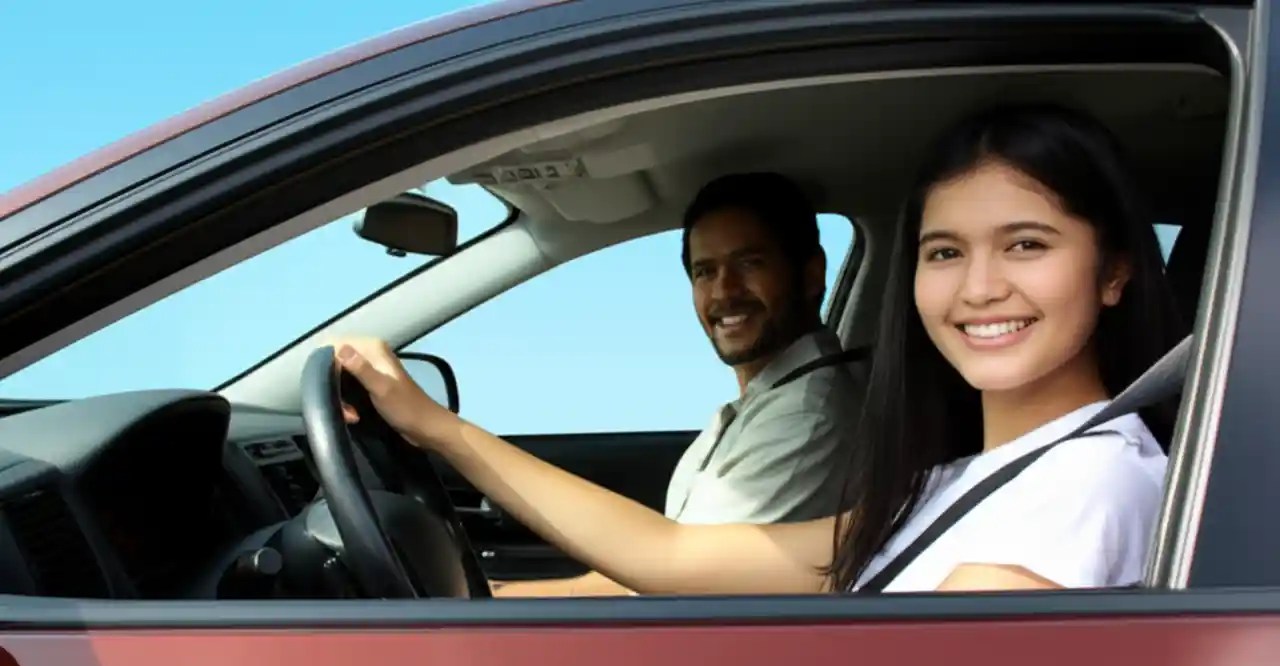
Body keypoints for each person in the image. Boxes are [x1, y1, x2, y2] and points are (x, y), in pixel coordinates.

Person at [332, 102, 1185, 596]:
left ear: (1113, 273)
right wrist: (437, 430)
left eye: (1027, 245)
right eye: (945, 252)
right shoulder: (958, 480)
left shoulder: (1089, 486)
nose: (979, 288)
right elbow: (669, 558)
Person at [489, 173, 863, 597]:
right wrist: (501, 595)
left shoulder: (806, 416)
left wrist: (440, 429)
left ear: (811, 274)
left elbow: (676, 580)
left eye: (749, 263)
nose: (724, 291)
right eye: (705, 272)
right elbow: (661, 566)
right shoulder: (771, 402)